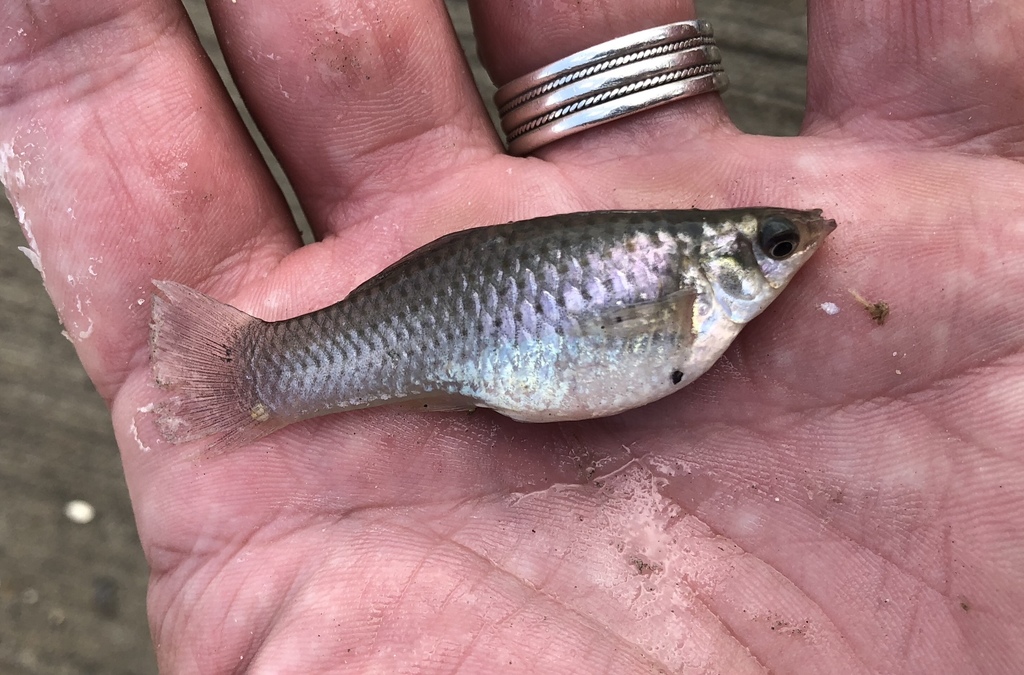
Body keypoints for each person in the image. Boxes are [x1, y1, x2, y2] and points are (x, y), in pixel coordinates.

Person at [2, 0, 1021, 671]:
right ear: (715, 260)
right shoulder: (689, 282)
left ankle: (262, 371)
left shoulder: (700, 296)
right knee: (333, 352)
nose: (799, 245)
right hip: (478, 344)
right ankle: (257, 368)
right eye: (770, 241)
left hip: (501, 355)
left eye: (775, 241)